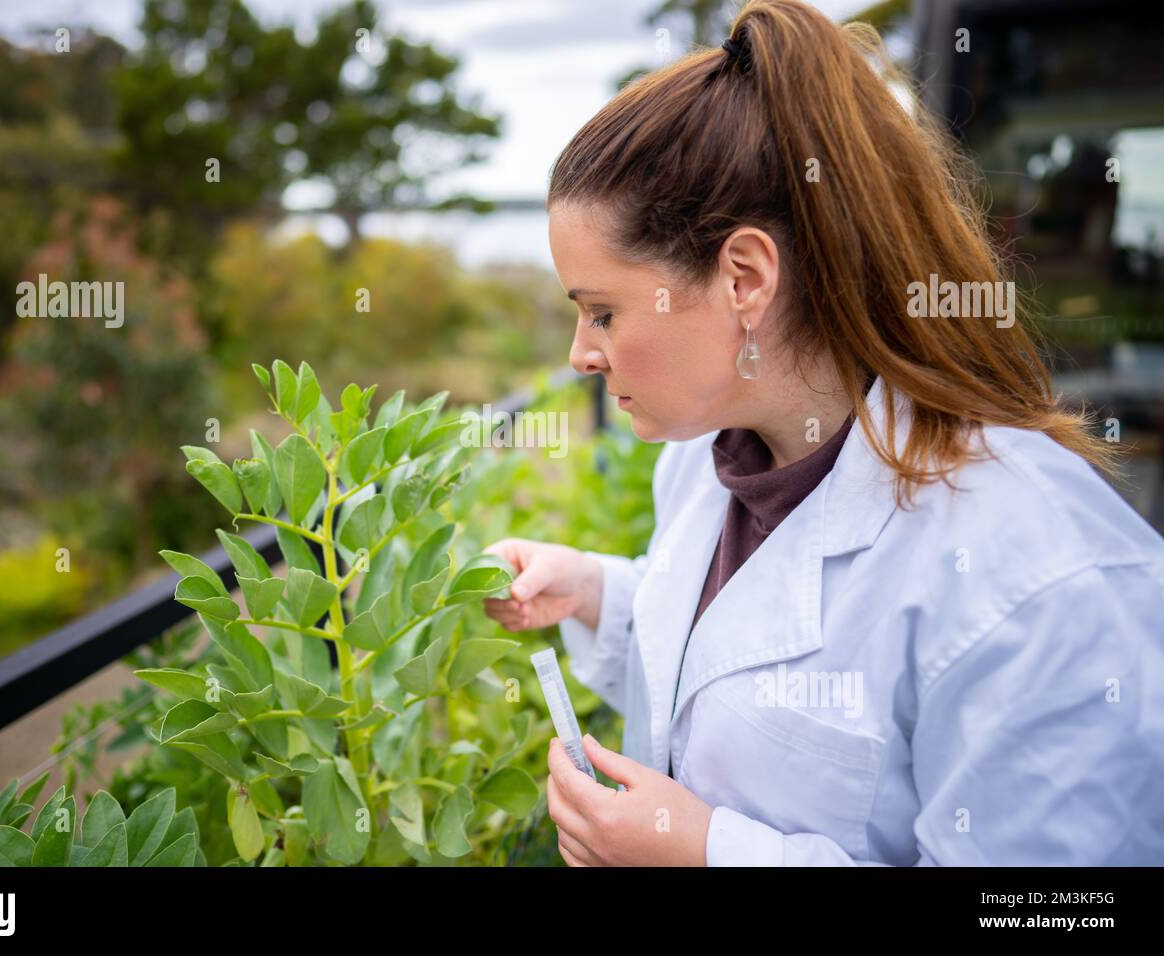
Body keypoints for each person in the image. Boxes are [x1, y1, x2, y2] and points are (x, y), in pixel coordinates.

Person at [482, 0, 1164, 866]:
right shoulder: (710, 460)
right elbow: (742, 663)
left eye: (602, 312)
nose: (581, 355)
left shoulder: (1037, 572)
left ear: (744, 278)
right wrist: (593, 592)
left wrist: (705, 854)